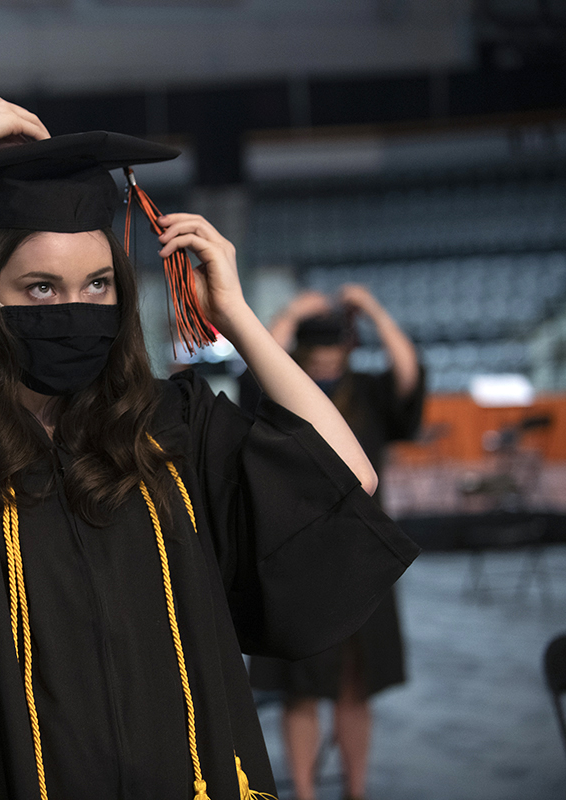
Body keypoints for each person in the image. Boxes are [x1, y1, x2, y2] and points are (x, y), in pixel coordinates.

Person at [0, 92, 420, 800]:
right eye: (39, 287)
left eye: (97, 284)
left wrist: (238, 317)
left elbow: (348, 475)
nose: (74, 307)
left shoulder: (168, 427)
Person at [246, 286, 425, 800]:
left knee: (356, 684)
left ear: (347, 349)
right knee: (300, 689)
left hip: (360, 552)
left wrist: (373, 309)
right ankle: (303, 792)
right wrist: (290, 313)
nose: (324, 360)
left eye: (333, 351)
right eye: (314, 353)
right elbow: (251, 374)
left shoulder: (367, 391)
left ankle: (356, 790)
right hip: (297, 555)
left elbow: (408, 377)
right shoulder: (285, 392)